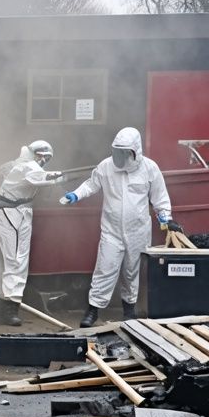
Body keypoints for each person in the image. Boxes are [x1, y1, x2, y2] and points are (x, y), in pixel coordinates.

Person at [61, 126, 176, 328]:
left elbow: (160, 198)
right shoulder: (106, 166)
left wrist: (165, 218)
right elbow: (91, 184)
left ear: (135, 152)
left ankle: (129, 309)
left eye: (124, 153)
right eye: (117, 152)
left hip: (138, 230)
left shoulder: (149, 168)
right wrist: (76, 194)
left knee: (131, 271)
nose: (120, 157)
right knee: (105, 268)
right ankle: (93, 310)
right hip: (111, 230)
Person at [0, 140, 63, 327]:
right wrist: (62, 177)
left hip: (12, 211)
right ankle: (7, 309)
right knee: (15, 261)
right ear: (39, 155)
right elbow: (45, 178)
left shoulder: (16, 166)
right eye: (45, 158)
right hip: (12, 213)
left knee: (4, 261)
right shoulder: (27, 167)